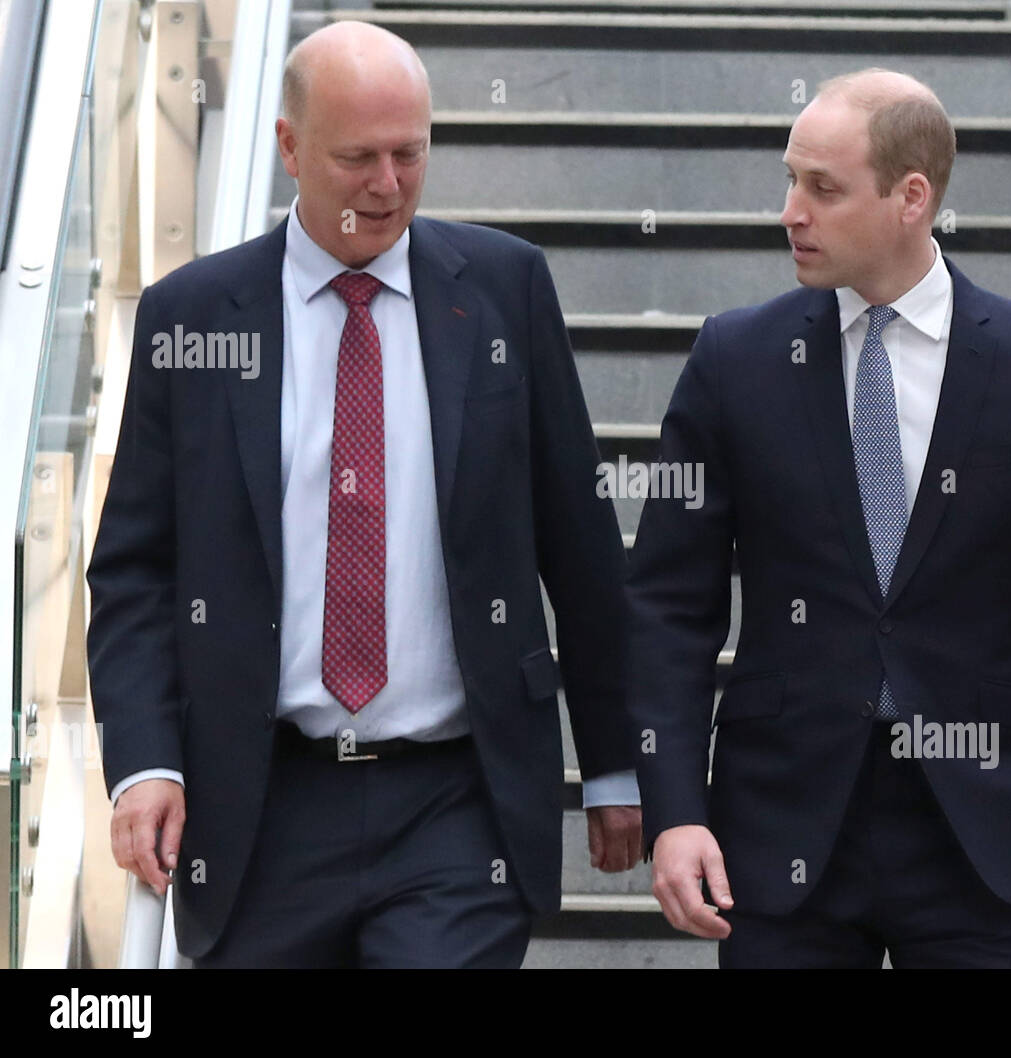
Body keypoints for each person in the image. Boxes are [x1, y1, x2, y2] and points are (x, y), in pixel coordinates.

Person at [87, 20, 640, 968]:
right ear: (290, 147)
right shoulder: (192, 317)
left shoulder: (506, 290)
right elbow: (136, 567)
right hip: (260, 803)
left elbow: (579, 543)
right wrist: (144, 759)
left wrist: (618, 763)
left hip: (454, 806)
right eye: (358, 158)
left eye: (409, 155)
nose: (388, 186)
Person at [627, 68, 1011, 968]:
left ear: (912, 197)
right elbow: (667, 609)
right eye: (790, 178)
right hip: (781, 832)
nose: (790, 210)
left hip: (975, 839)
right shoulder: (735, 358)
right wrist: (676, 810)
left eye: (822, 188)